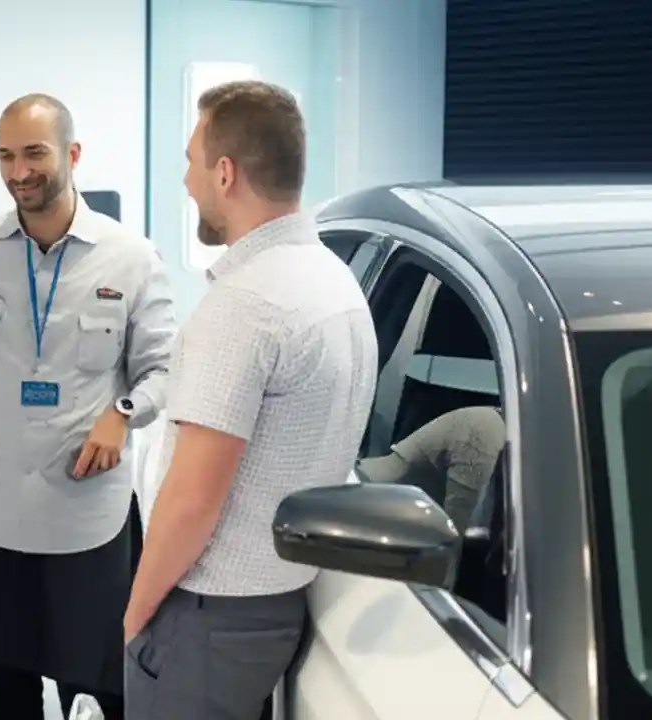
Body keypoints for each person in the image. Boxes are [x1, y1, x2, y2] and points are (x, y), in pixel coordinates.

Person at [0, 93, 178, 720]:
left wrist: (122, 411)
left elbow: (165, 367)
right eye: (5, 155)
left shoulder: (131, 257)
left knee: (106, 683)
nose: (18, 171)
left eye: (34, 152)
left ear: (72, 154)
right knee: (5, 688)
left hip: (84, 509)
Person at [121, 80, 378, 719]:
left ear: (226, 173)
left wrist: (136, 613)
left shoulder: (247, 306)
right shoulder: (335, 281)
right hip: (268, 607)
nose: (186, 181)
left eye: (191, 162)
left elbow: (192, 501)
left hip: (206, 617)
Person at [358, 405, 506, 534]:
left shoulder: (503, 432)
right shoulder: (487, 428)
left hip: (393, 523)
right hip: (365, 504)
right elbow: (455, 532)